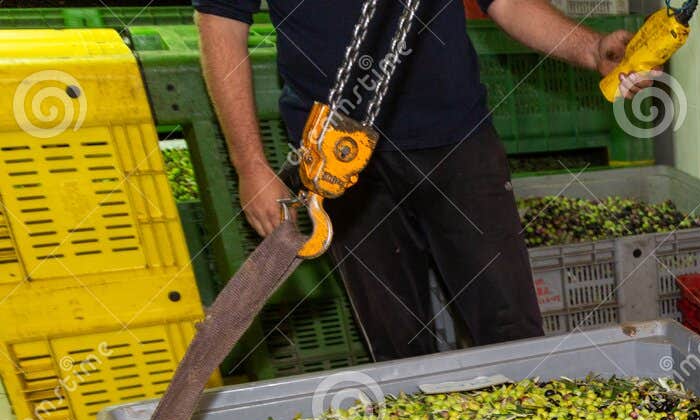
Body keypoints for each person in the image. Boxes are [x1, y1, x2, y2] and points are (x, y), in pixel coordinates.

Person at [193, 0, 649, 359]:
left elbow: (507, 2)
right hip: (339, 153)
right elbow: (221, 19)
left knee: (510, 329)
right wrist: (250, 163)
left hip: (455, 138)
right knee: (396, 342)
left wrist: (591, 49)